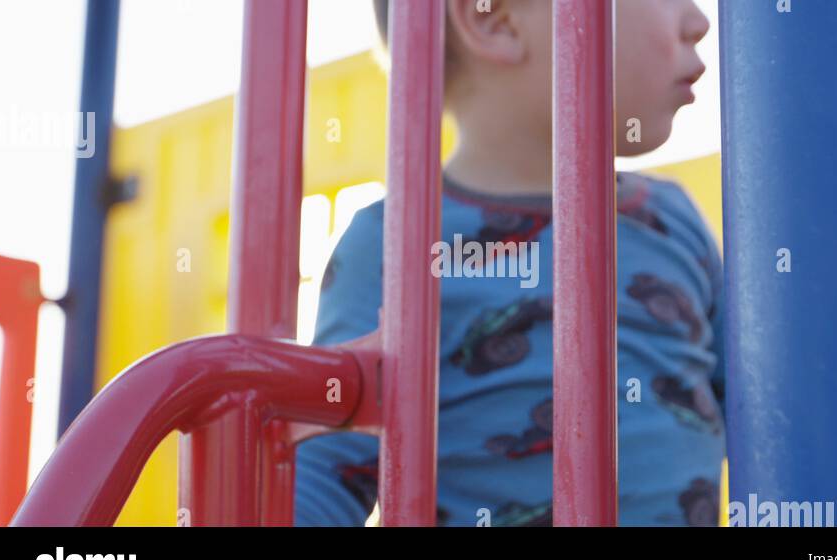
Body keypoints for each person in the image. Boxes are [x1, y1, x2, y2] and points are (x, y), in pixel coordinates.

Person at [295, 0, 723, 526]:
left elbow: (763, 416)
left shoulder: (673, 221)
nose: (700, 21)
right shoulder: (397, 244)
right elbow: (329, 468)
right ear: (493, 19)